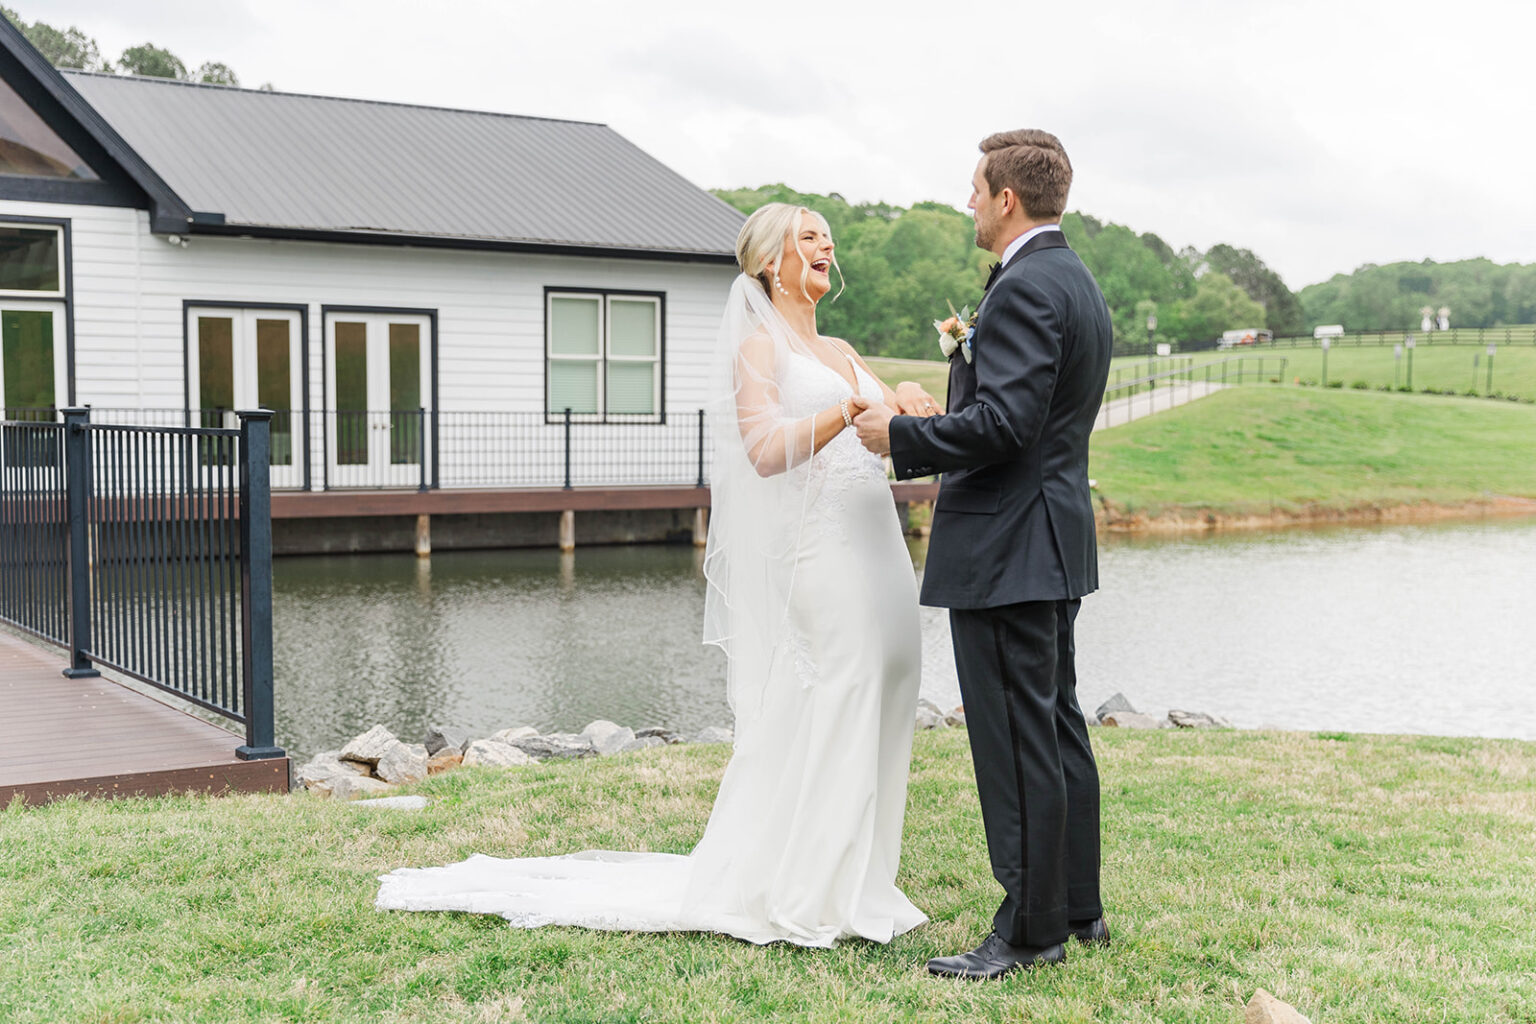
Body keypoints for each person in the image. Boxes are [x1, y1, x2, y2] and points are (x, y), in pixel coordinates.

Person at [376, 203, 941, 948]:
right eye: (809, 237)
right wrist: (848, 413)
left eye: (827, 236)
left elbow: (881, 439)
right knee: (842, 696)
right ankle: (810, 893)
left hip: (878, 545)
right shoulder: (757, 352)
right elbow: (765, 452)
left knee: (889, 693)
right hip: (822, 554)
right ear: (772, 263)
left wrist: (907, 406)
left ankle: (863, 879)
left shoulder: (841, 346)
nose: (825, 245)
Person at [853, 130, 1114, 979]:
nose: (968, 202)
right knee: (1055, 727)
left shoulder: (1028, 288)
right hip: (1048, 538)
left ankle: (1029, 927)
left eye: (974, 190)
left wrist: (899, 433)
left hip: (1010, 546)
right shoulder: (1074, 281)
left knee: (1014, 738)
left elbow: (1006, 426)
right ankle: (1077, 909)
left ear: (1007, 199)